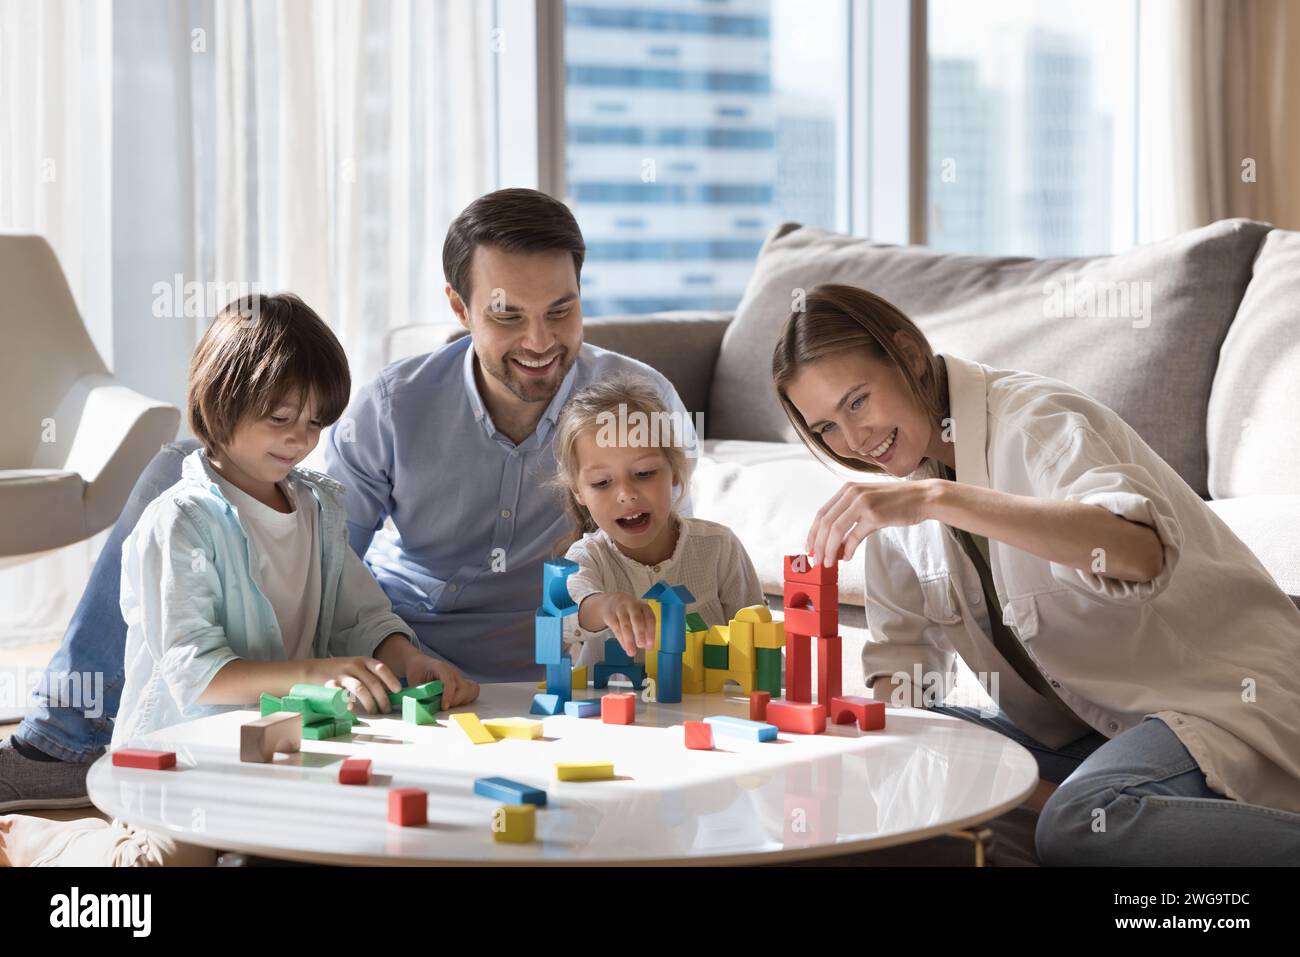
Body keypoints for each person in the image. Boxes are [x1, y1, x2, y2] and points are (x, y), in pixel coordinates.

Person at [0, 187, 694, 811]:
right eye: (507, 316)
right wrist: (352, 663)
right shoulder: (397, 402)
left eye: (561, 311)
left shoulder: (636, 401)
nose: (541, 342)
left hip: (555, 667)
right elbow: (327, 555)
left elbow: (664, 557)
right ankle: (61, 743)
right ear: (458, 306)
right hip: (403, 661)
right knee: (179, 468)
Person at [772, 282, 1300, 866]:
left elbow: (1138, 551)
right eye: (825, 429)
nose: (853, 440)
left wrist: (937, 499)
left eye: (857, 402)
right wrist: (877, 755)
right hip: (1088, 736)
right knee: (910, 756)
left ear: (910, 355)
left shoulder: (1036, 422)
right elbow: (904, 671)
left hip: (1216, 705)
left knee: (1081, 823)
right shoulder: (899, 504)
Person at [1, 293, 474, 865]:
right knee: (171, 862)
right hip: (179, 752)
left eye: (315, 423)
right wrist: (313, 675)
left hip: (285, 747)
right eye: (280, 419)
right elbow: (196, 674)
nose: (300, 439)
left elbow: (363, 617)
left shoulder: (320, 508)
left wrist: (407, 657)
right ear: (223, 402)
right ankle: (49, 841)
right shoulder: (180, 521)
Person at [550, 375, 763, 666]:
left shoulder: (719, 548)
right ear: (578, 492)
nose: (626, 494)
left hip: (707, 707)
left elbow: (760, 642)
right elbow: (568, 611)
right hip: (610, 709)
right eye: (602, 482)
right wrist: (605, 606)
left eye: (644, 473)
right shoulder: (586, 558)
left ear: (675, 470)